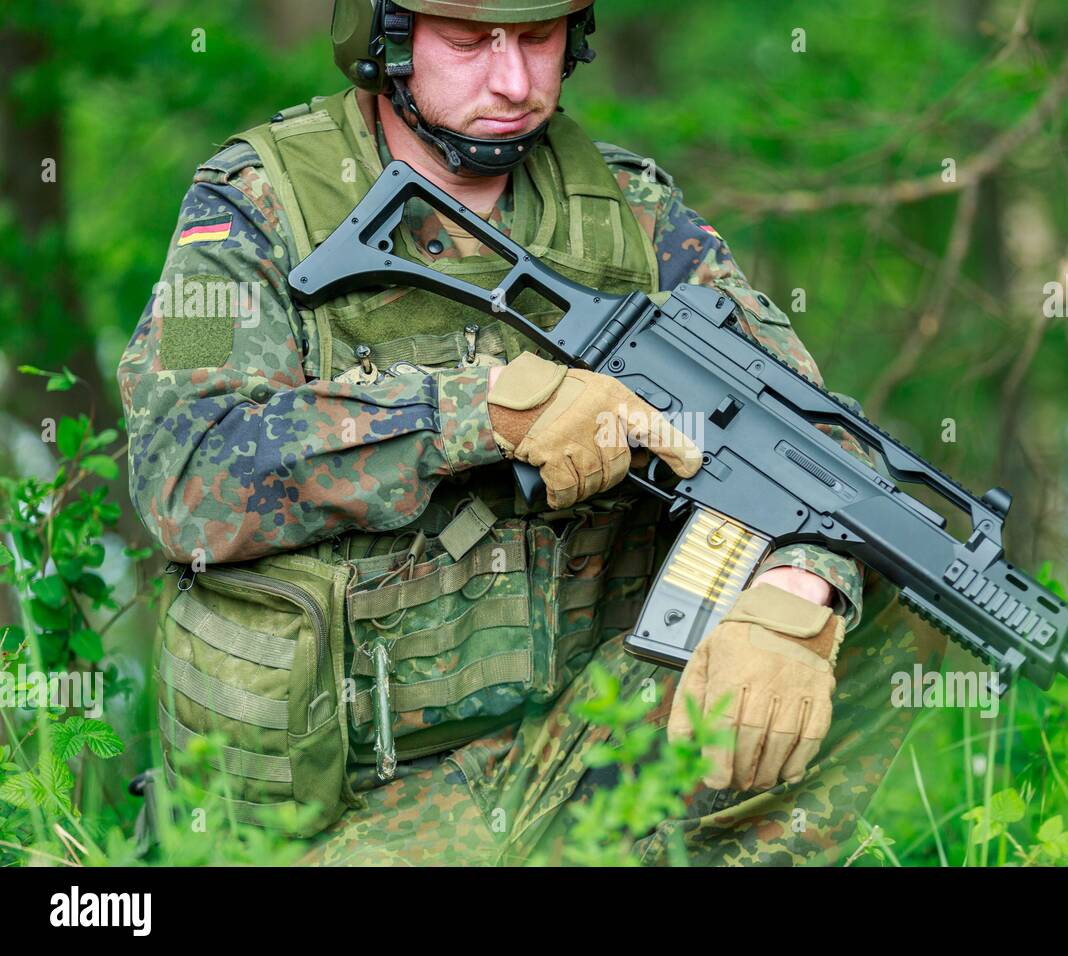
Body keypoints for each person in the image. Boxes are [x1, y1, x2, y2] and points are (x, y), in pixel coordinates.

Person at [118, 0, 945, 865]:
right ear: (385, 39)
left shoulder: (633, 209)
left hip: (583, 739)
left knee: (878, 597)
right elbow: (185, 468)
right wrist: (485, 414)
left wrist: (796, 589)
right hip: (355, 795)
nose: (514, 81)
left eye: (539, 39)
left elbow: (814, 431)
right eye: (472, 43)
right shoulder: (250, 206)